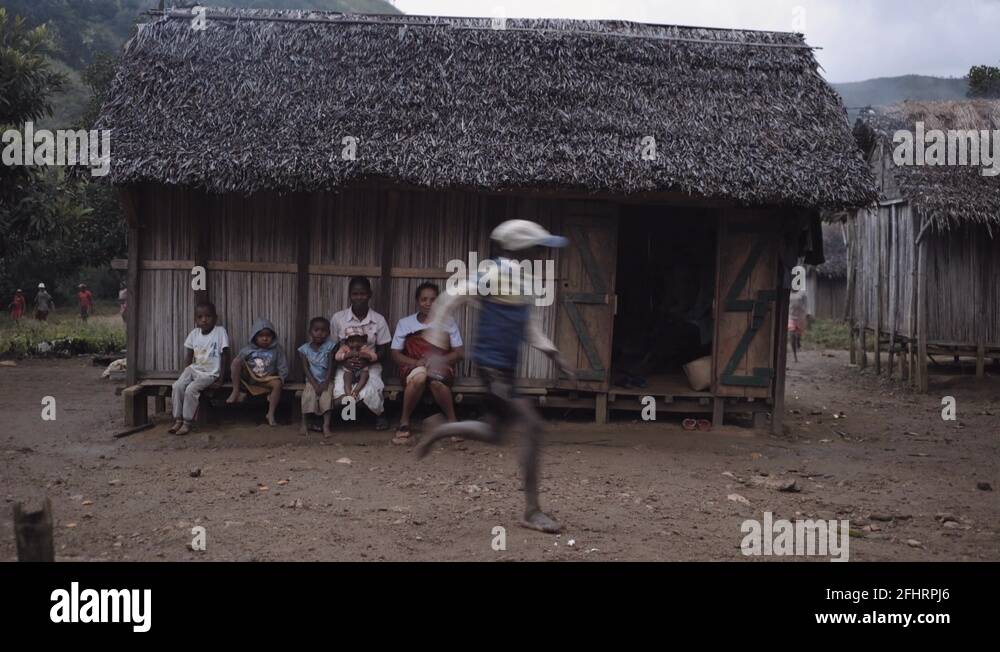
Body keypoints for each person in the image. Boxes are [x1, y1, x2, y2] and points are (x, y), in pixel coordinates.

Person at [415, 219, 576, 534]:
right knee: (533, 426)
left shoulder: (526, 282)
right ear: (522, 247)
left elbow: (530, 329)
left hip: (506, 368)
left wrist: (554, 354)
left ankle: (442, 430)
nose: (543, 253)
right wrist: (434, 348)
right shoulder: (491, 273)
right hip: (492, 367)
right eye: (539, 247)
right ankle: (532, 511)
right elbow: (449, 300)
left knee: (494, 432)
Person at [390, 281, 464, 444]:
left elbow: (459, 353)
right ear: (417, 301)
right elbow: (395, 354)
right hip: (413, 367)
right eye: (424, 299)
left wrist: (438, 360)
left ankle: (453, 422)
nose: (428, 304)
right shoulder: (406, 323)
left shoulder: (448, 322)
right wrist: (416, 363)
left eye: (433, 300)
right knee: (420, 376)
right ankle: (404, 421)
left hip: (440, 367)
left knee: (436, 382)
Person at [330, 277, 392, 430]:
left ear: (369, 294)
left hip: (370, 365)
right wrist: (345, 361)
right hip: (346, 365)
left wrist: (368, 361)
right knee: (340, 391)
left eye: (362, 293)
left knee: (371, 389)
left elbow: (384, 351)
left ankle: (379, 414)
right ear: (349, 295)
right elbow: (332, 348)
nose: (359, 297)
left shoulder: (378, 320)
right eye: (355, 294)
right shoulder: (338, 318)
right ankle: (349, 417)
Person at [169, 302, 231, 436]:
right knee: (178, 386)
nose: (204, 319)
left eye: (208, 316)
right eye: (200, 317)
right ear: (195, 319)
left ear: (215, 317)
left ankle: (187, 422)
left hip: (209, 373)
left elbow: (225, 355)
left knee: (191, 389)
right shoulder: (194, 334)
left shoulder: (220, 332)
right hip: (194, 369)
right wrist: (186, 372)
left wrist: (220, 379)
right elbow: (189, 355)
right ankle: (177, 419)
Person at [226, 318, 288, 426]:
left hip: (266, 378)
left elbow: (282, 365)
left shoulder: (277, 349)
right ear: (254, 337)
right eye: (261, 336)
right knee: (236, 361)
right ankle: (235, 391)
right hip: (250, 377)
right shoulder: (247, 349)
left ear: (273, 337)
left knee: (278, 384)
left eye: (268, 335)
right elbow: (237, 365)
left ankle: (270, 413)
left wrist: (282, 378)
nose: (265, 338)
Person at [298, 317, 337, 436]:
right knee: (307, 396)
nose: (320, 333)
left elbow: (331, 366)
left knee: (326, 397)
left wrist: (325, 382)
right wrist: (314, 384)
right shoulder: (304, 349)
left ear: (328, 333)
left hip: (327, 380)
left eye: (323, 330)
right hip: (311, 381)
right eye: (316, 330)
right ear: (310, 332)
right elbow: (306, 368)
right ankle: (304, 424)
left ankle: (326, 426)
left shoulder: (331, 346)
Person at [335, 326, 376, 400]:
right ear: (347, 342)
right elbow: (337, 356)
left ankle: (356, 391)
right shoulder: (345, 348)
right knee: (346, 379)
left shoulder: (364, 348)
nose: (355, 344)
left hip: (362, 370)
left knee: (365, 375)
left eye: (358, 341)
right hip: (349, 370)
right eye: (352, 341)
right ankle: (348, 394)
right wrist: (346, 355)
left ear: (363, 342)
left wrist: (367, 355)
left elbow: (374, 357)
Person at [788, 289, 809, 363]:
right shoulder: (788, 292)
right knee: (792, 335)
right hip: (791, 317)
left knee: (797, 335)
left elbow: (806, 304)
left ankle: (798, 341)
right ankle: (795, 356)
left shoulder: (802, 293)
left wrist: (806, 314)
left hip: (800, 317)